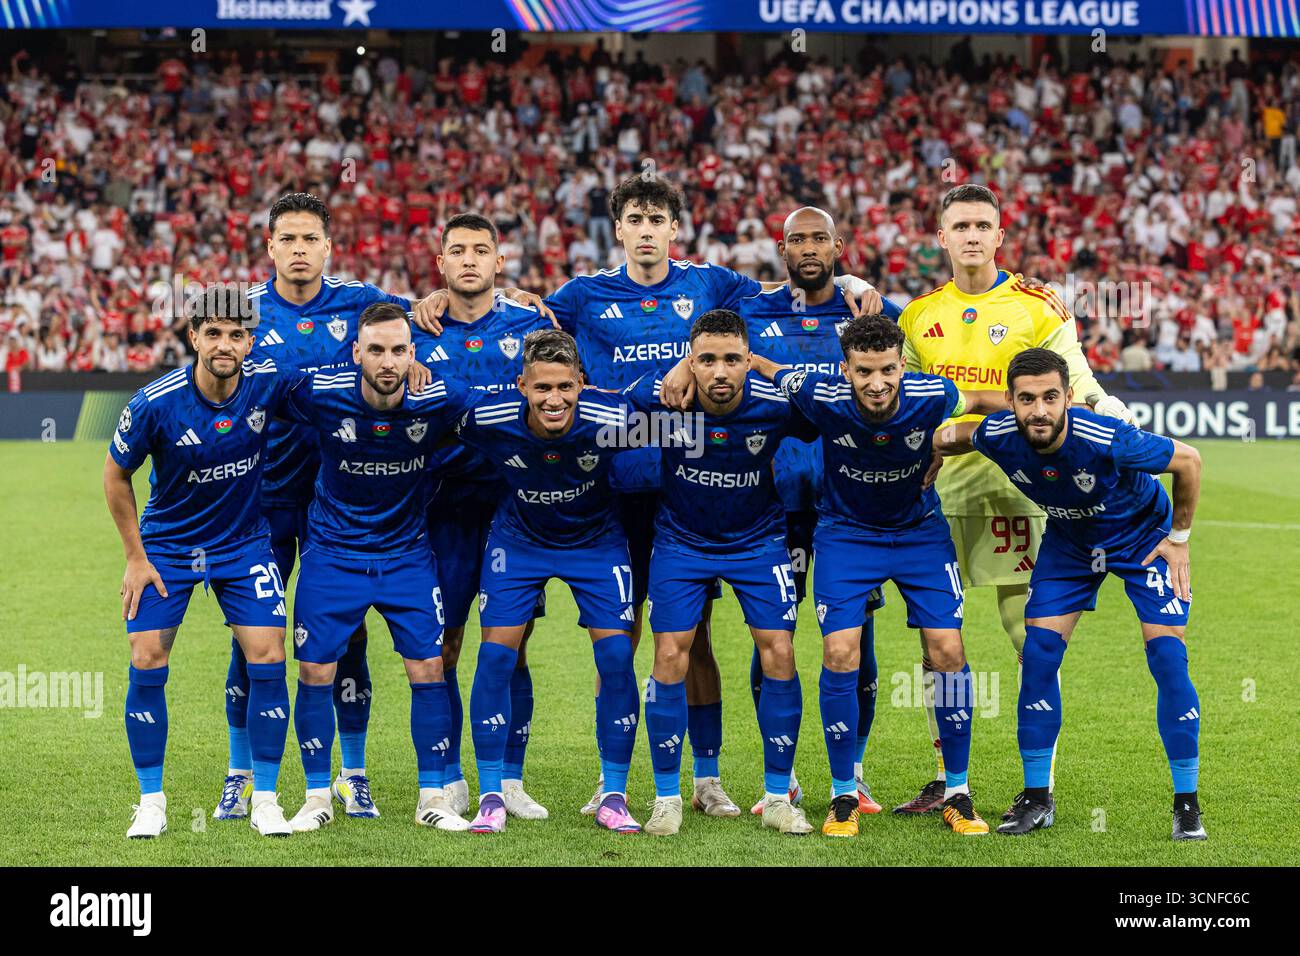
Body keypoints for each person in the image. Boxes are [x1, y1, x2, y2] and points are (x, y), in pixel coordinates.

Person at [413, 175, 882, 816]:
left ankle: (706, 778)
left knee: (697, 639)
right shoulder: (583, 295)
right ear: (620, 230)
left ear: (673, 229)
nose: (646, 229)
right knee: (628, 638)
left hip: (686, 486)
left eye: (657, 218)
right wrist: (453, 289)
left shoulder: (710, 284)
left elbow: (789, 290)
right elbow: (523, 313)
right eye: (635, 218)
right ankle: (614, 783)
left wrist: (853, 283)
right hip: (613, 487)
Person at [893, 184, 1132, 816]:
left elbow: (1077, 383)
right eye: (959, 226)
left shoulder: (1036, 304)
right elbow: (907, 399)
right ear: (939, 237)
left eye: (982, 225)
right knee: (937, 638)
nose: (971, 236)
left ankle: (1038, 784)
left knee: (1028, 634)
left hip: (1017, 494)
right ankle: (949, 776)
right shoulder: (918, 315)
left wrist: (1110, 414)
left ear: (1000, 235)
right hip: (939, 494)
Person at [934, 348, 1206, 840]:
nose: (1039, 410)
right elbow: (953, 435)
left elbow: (1188, 460)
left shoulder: (1105, 437)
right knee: (1038, 656)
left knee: (1168, 659)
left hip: (1144, 541)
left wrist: (1180, 540)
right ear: (1010, 402)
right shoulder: (999, 434)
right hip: (1071, 544)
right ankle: (1037, 798)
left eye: (1050, 398)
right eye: (1026, 399)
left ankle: (1187, 804)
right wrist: (926, 452)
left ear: (1067, 398)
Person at [751, 314, 1007, 837]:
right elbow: (771, 368)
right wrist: (736, 361)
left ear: (902, 366)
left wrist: (1035, 408)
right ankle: (844, 793)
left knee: (948, 650)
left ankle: (957, 790)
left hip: (919, 532)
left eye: (888, 370)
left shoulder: (932, 394)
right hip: (847, 535)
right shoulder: (820, 395)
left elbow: (979, 400)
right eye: (864, 371)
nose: (877, 383)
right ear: (845, 369)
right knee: (840, 652)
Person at [217, 192, 411, 824]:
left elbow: (424, 327)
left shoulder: (360, 303)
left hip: (342, 501)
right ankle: (240, 772)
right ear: (269, 246)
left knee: (346, 634)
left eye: (311, 239)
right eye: (288, 239)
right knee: (256, 638)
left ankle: (351, 775)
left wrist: (439, 301)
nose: (299, 250)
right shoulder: (241, 311)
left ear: (329, 247)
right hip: (260, 500)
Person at [104, 311, 301, 839]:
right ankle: (150, 801)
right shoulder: (154, 402)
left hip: (243, 546)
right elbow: (115, 474)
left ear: (250, 342)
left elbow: (341, 382)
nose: (224, 344)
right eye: (213, 333)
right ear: (193, 337)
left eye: (236, 335)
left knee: (269, 654)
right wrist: (135, 557)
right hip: (167, 548)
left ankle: (264, 797)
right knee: (146, 657)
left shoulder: (267, 383)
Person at [281, 302, 471, 833]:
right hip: (332, 553)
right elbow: (254, 395)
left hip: (407, 555)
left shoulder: (440, 399)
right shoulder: (318, 392)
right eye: (377, 351)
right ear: (356, 352)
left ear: (413, 354)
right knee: (315, 671)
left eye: (398, 351)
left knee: (429, 670)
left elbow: (505, 412)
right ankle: (317, 794)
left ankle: (432, 796)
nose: (388, 362)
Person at [630, 309, 815, 837]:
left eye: (732, 359)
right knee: (671, 652)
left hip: (758, 542)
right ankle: (667, 796)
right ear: (690, 360)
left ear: (747, 361)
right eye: (706, 359)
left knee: (778, 650)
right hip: (681, 543)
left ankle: (779, 797)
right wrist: (671, 372)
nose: (719, 372)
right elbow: (611, 409)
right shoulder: (664, 399)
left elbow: (831, 404)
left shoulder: (774, 407)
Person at [454, 330, 643, 835]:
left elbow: (678, 419)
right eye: (541, 389)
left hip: (596, 541)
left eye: (564, 387)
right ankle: (493, 794)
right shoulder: (487, 415)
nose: (553, 399)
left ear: (581, 383)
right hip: (518, 540)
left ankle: (615, 794)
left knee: (617, 658)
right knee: (496, 656)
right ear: (521, 386)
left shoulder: (614, 417)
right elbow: (431, 410)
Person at [410, 213, 554, 820]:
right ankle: (447, 775)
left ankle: (509, 778)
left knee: (511, 644)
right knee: (444, 645)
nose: (469, 259)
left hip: (513, 506)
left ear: (500, 262)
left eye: (482, 250)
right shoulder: (413, 328)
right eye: (457, 251)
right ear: (439, 264)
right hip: (439, 506)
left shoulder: (532, 324)